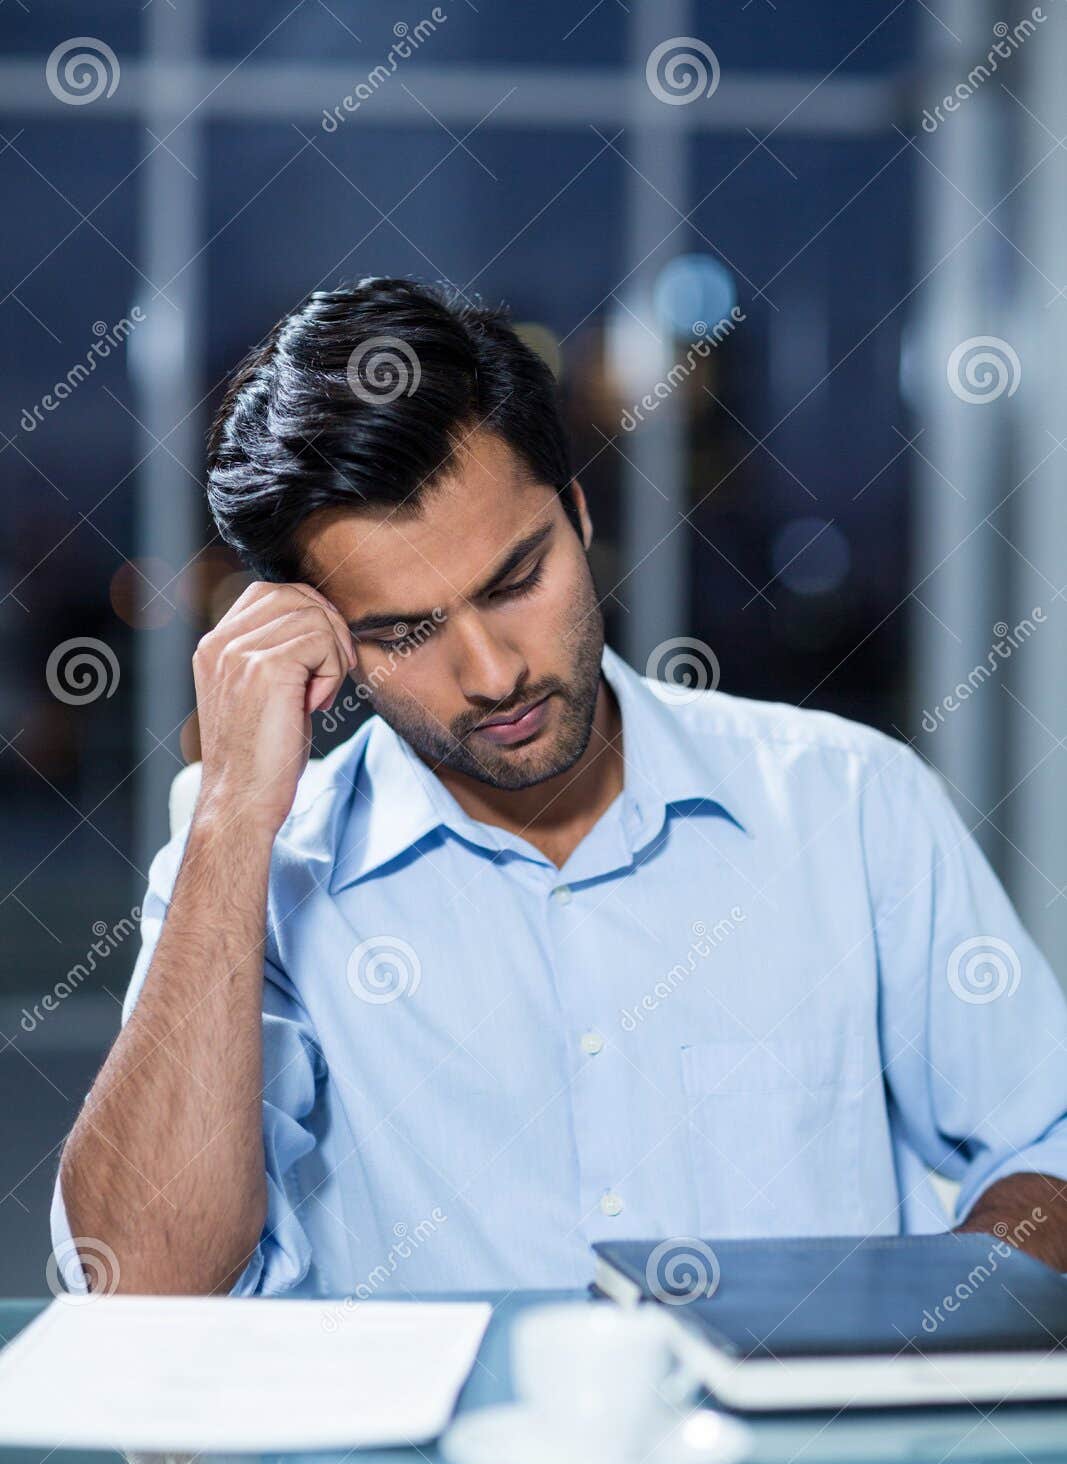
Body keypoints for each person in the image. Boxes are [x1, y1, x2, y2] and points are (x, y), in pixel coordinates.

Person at [53, 278, 1067, 1296]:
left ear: (577, 519)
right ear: (321, 642)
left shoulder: (849, 806)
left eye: (514, 582)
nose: (493, 674)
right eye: (403, 631)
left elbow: (1046, 1146)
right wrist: (230, 815)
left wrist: (906, 1345)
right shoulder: (262, 873)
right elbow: (142, 1286)